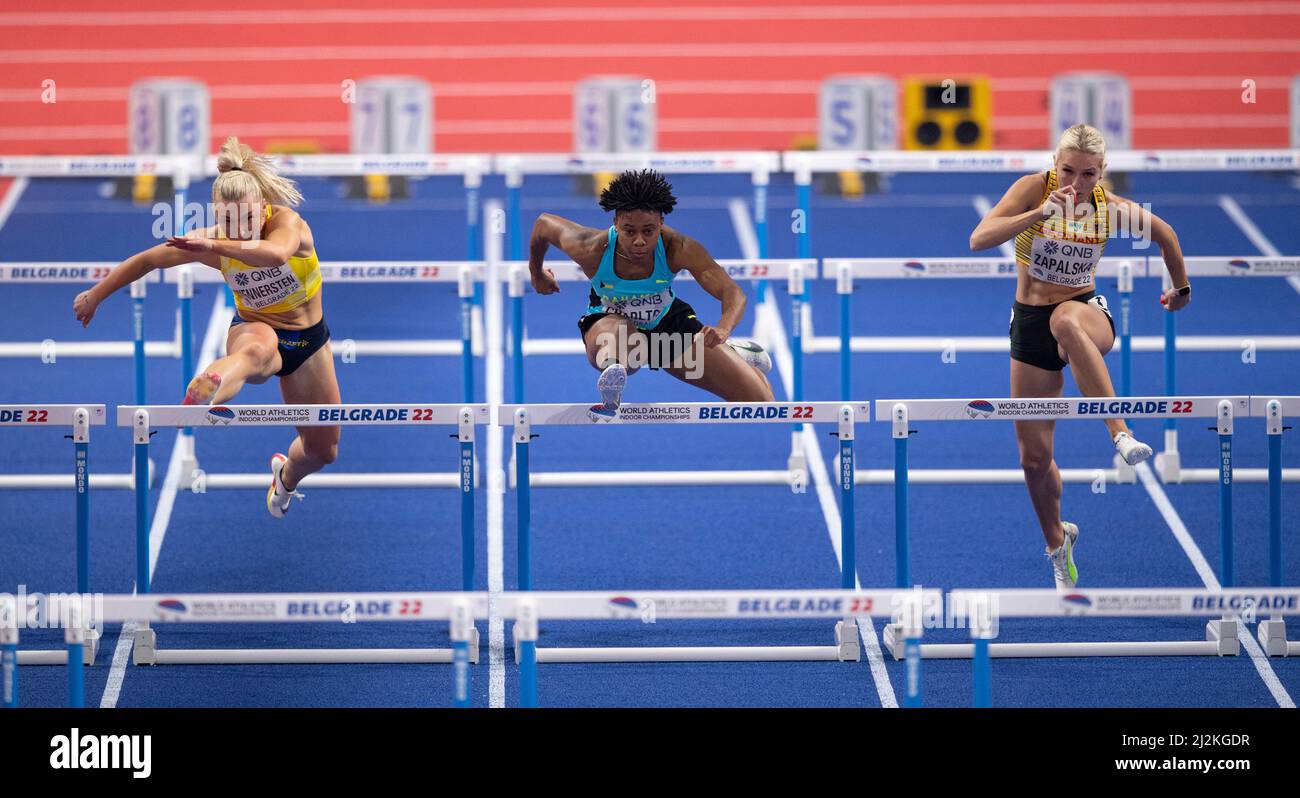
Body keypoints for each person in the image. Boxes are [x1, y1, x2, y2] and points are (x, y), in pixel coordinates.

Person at [970, 123, 1191, 588]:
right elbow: (980, 237)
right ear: (1055, 164)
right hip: (1029, 324)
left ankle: (1120, 435)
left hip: (1087, 315)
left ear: (1102, 172)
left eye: (1088, 174)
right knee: (1033, 459)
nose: (1076, 183)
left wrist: (1181, 289)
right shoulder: (1034, 188)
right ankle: (1057, 541)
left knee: (1066, 320)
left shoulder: (1108, 209)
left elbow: (1167, 233)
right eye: (1068, 170)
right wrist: (1037, 214)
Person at [73, 136, 338, 518]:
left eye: (247, 219)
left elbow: (274, 254)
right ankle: (206, 391)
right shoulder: (212, 240)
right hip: (255, 326)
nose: (239, 229)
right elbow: (149, 260)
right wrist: (96, 295)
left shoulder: (287, 225)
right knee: (256, 353)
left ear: (262, 208)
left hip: (309, 341)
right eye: (227, 221)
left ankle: (285, 474)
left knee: (322, 451)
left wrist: (215, 245)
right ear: (216, 213)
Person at [527, 169, 773, 421]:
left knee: (762, 405)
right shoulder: (590, 247)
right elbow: (543, 224)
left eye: (648, 231)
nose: (639, 241)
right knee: (623, 346)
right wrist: (537, 273)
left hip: (666, 327)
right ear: (616, 224)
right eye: (629, 231)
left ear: (661, 224)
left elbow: (732, 292)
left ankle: (733, 351)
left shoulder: (678, 248)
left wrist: (723, 328)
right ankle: (613, 372)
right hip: (609, 321)